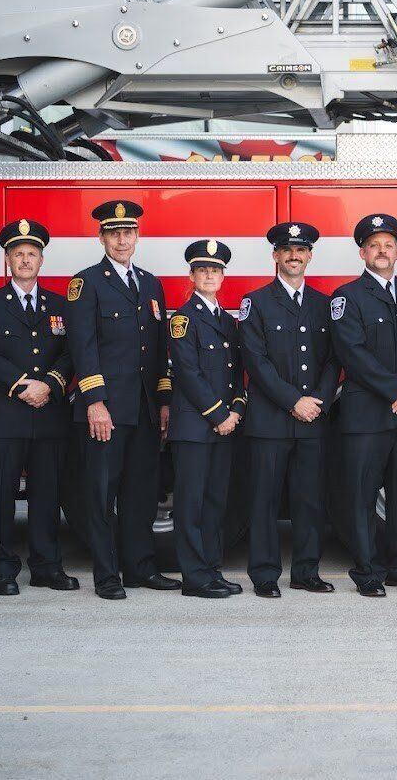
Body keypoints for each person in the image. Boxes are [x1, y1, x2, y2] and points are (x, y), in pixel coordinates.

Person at [66, 200, 177, 600]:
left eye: (127, 233)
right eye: (113, 234)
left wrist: (163, 401)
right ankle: (107, 576)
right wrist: (95, 402)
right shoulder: (86, 283)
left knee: (141, 495)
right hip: (107, 411)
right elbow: (82, 347)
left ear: (137, 236)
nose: (121, 240)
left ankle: (140, 568)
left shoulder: (150, 284)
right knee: (101, 496)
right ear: (101, 238)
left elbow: (159, 349)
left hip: (144, 411)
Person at [0, 219, 79, 596]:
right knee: (0, 497)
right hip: (5, 416)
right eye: (18, 254)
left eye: (32, 254)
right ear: (7, 260)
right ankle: (1, 569)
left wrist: (49, 384)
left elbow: (71, 353)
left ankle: (46, 567)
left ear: (41, 260)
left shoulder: (61, 306)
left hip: (49, 413)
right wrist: (23, 386)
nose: (25, 260)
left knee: (47, 495)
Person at [331, 214, 397, 597]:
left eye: (388, 246)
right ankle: (369, 573)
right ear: (362, 253)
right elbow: (352, 353)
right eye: (374, 245)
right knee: (362, 497)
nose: (381, 251)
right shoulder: (346, 297)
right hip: (367, 416)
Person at [240, 222, 339, 597]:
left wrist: (318, 401)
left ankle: (306, 572)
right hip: (270, 421)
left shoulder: (324, 305)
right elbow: (256, 361)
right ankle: (265, 575)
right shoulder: (256, 302)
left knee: (309, 500)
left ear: (309, 256)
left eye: (300, 250)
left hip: (312, 420)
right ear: (276, 256)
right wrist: (293, 401)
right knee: (264, 501)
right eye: (287, 250)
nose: (294, 256)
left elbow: (333, 360)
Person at [167, 240, 245, 599]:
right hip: (195, 428)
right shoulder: (183, 319)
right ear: (192, 276)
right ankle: (194, 578)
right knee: (191, 505)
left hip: (224, 426)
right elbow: (188, 372)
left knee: (216, 503)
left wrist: (237, 411)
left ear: (223, 276)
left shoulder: (228, 321)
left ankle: (212, 570)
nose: (209, 275)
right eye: (202, 270)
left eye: (215, 270)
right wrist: (219, 415)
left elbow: (237, 374)